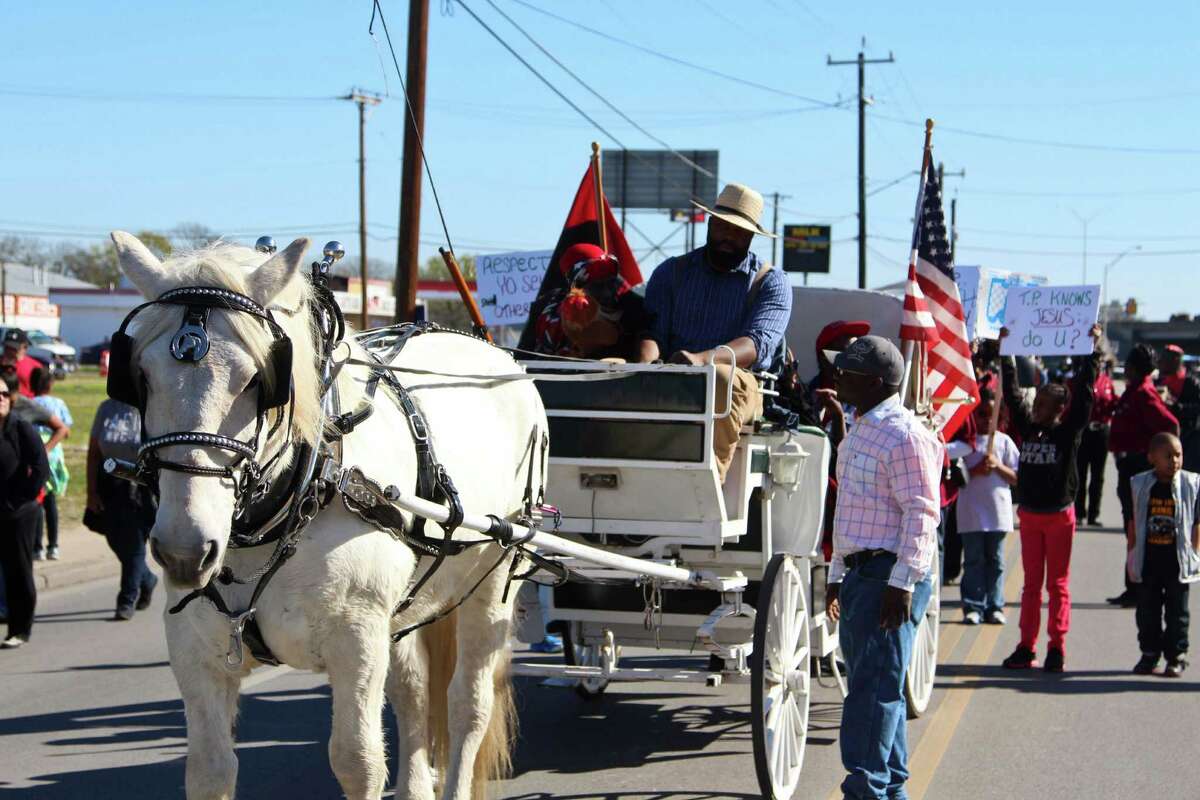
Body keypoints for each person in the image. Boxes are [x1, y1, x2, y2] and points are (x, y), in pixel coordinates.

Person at [823, 335, 940, 800]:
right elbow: (849, 511)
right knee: (875, 690)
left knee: (872, 695)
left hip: (888, 576)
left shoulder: (904, 435)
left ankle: (867, 791)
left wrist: (903, 582)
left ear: (873, 383)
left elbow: (922, 512)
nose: (836, 375)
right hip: (862, 573)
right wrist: (836, 575)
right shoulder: (861, 427)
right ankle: (888, 791)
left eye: (845, 371)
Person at [638, 183, 791, 482]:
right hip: (672, 373)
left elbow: (757, 344)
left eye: (738, 230)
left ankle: (706, 486)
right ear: (710, 223)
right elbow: (652, 332)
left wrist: (702, 359)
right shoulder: (671, 272)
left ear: (751, 236)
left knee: (720, 380)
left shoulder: (770, 281)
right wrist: (642, 368)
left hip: (741, 382)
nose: (728, 236)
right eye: (722, 226)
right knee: (608, 370)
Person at [999, 324, 1102, 672]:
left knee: (1057, 585)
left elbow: (1085, 394)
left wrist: (1092, 349)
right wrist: (1006, 352)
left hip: (1059, 516)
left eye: (1043, 404)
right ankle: (1026, 647)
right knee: (1031, 587)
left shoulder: (1067, 432)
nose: (1036, 407)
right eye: (1037, 402)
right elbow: (1013, 397)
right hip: (1030, 515)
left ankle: (1056, 646)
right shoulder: (1028, 427)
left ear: (1059, 409)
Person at [1107, 343, 1179, 607]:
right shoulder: (1135, 391)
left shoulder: (1144, 393)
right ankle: (1133, 586)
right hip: (1128, 466)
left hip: (1138, 467)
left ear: (1135, 368)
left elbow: (1170, 425)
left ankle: (1138, 588)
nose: (1125, 368)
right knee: (1132, 528)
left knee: (1135, 529)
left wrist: (1165, 462)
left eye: (1128, 364)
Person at [1128, 432, 1198, 678]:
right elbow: (1134, 522)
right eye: (1168, 456)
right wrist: (1132, 555)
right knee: (1147, 611)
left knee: (1178, 613)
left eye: (1178, 455)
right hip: (1150, 561)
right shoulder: (1141, 485)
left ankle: (1176, 656)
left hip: (1176, 562)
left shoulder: (1190, 485)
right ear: (1151, 458)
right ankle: (1149, 654)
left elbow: (1196, 523)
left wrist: (1194, 553)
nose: (1175, 461)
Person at [947, 388, 1019, 625]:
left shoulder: (1004, 442)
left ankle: (994, 605)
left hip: (998, 514)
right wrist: (975, 470)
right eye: (981, 414)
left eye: (991, 415)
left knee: (996, 561)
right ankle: (973, 605)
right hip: (971, 514)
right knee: (973, 561)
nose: (987, 419)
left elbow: (1016, 477)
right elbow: (953, 476)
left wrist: (997, 466)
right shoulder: (964, 445)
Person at [87, 398, 158, 620]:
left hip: (141, 486)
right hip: (110, 483)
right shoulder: (106, 408)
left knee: (135, 544)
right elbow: (94, 453)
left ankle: (126, 599)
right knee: (115, 540)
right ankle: (147, 578)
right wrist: (91, 492)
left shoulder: (150, 405)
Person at [529, 243, 652, 361]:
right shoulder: (549, 313)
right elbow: (530, 357)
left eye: (609, 280)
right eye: (597, 284)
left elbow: (647, 345)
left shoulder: (633, 307)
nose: (606, 290)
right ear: (577, 286)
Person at [0, 380, 50, 649]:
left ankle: (19, 629)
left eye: (5, 393)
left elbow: (41, 469)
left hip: (20, 512)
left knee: (18, 570)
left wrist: (21, 499)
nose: (1, 398)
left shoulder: (21, 428)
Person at [30, 368, 71, 561]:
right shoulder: (58, 403)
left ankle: (37, 547)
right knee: (51, 502)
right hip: (54, 454)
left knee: (38, 500)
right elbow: (66, 430)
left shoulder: (29, 404)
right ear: (51, 384)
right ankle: (53, 546)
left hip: (35, 453)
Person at [1076, 358, 1116, 526]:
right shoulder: (1079, 381)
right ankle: (1079, 513)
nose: (1097, 365)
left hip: (1101, 432)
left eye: (1099, 363)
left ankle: (1093, 514)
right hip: (1083, 432)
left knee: (1097, 476)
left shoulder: (1107, 382)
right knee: (1080, 474)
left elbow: (1113, 403)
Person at [1156, 344, 1200, 470]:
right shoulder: (1159, 382)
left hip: (1187, 442)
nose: (1159, 362)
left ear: (1175, 361)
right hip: (1163, 441)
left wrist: (1176, 407)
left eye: (1164, 359)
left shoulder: (1191, 383)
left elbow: (1197, 410)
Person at [0, 329, 42, 398]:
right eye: (7, 347)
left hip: (25, 405)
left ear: (25, 347)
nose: (9, 351)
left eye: (13, 348)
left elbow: (41, 395)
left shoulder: (35, 367)